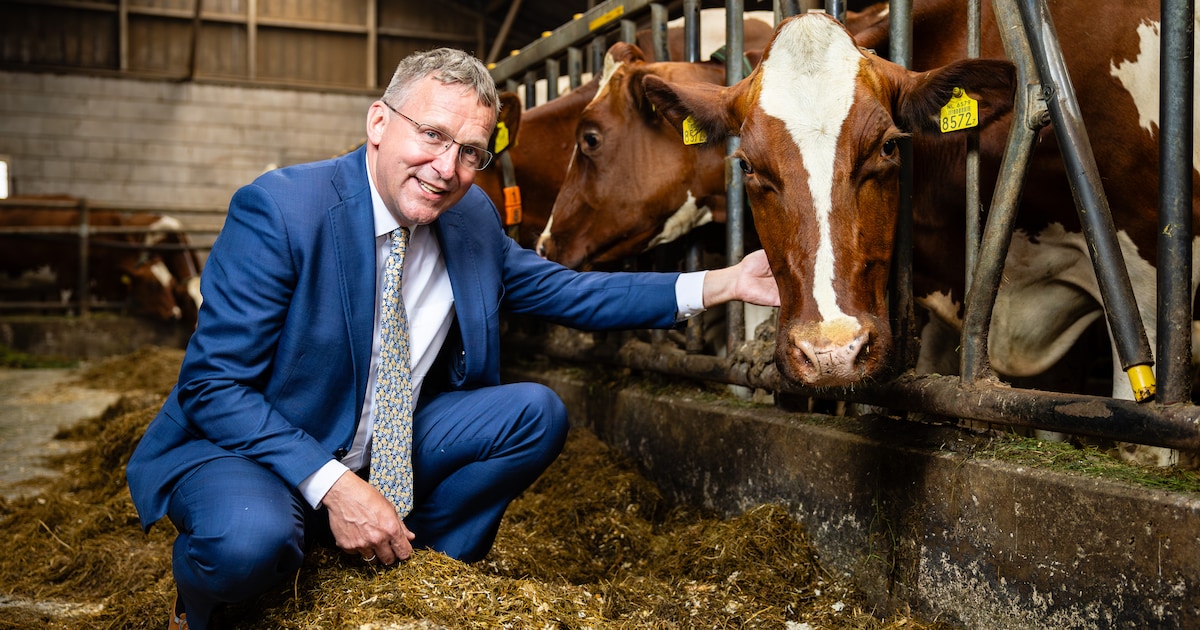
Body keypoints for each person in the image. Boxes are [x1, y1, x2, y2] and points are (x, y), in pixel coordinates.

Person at [126, 47, 779, 630]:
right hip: (252, 448)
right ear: (379, 124)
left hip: (381, 441)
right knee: (249, 544)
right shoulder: (282, 209)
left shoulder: (468, 217)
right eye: (433, 136)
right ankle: (204, 600)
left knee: (533, 414)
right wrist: (336, 487)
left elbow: (568, 292)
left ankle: (413, 568)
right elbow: (213, 386)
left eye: (472, 151)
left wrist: (723, 281)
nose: (448, 168)